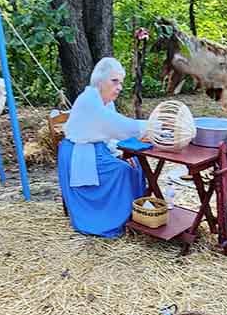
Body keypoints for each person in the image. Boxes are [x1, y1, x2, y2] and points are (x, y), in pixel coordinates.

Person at [57, 57, 156, 238]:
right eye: (114, 81)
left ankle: (136, 211)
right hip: (80, 154)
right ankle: (110, 219)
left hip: (97, 149)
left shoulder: (106, 102)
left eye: (121, 82)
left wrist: (120, 153)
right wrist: (152, 126)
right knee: (122, 171)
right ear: (100, 81)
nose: (119, 87)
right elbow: (119, 126)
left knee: (136, 162)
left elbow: (110, 133)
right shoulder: (89, 101)